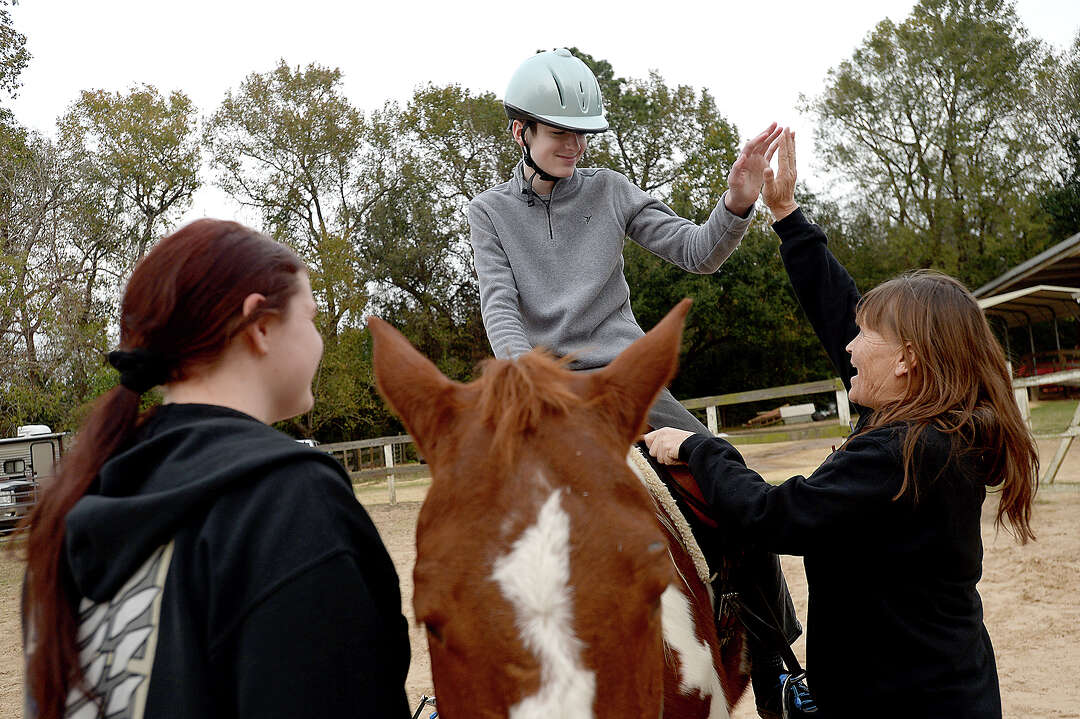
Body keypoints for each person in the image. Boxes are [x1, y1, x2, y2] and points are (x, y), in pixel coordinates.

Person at [645, 129, 1039, 719]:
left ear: (906, 360)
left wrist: (701, 449)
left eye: (867, 336)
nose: (849, 347)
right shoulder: (934, 426)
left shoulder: (904, 453)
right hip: (946, 691)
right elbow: (839, 314)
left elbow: (772, 516)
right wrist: (787, 216)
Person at [469, 48, 800, 717]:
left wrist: (737, 202)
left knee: (730, 477)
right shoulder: (489, 213)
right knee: (472, 514)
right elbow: (499, 307)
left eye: (582, 133)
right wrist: (531, 385)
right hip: (544, 389)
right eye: (559, 132)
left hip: (629, 385)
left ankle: (777, 665)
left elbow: (697, 252)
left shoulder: (611, 190)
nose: (574, 145)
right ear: (520, 130)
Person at [22, 220, 411, 719]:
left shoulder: (70, 515)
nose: (319, 340)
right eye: (311, 318)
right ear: (260, 325)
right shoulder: (288, 501)